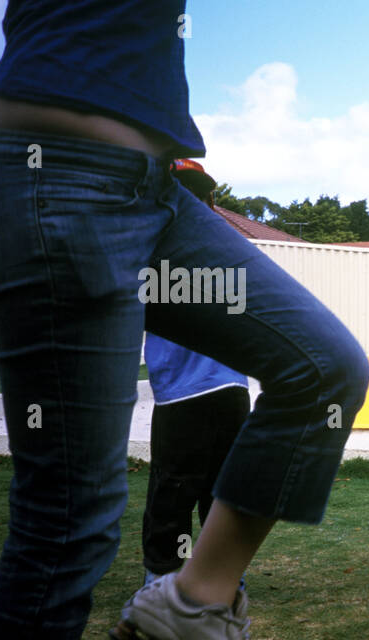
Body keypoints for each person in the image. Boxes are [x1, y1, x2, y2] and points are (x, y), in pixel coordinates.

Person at [0, 0, 369, 640]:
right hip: (56, 178)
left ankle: (194, 599)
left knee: (325, 368)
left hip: (155, 191)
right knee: (68, 515)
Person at [140, 159, 252, 588]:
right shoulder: (153, 250)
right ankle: (162, 578)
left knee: (219, 493)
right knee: (175, 491)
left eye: (197, 191)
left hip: (228, 390)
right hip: (180, 395)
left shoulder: (226, 250)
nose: (191, 200)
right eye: (179, 190)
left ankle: (222, 578)